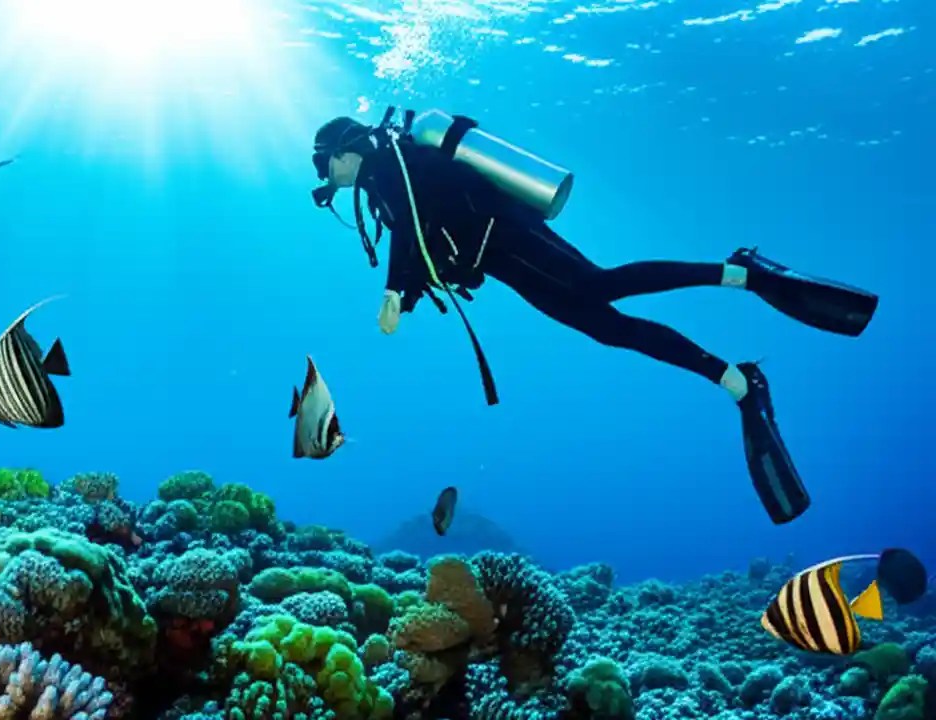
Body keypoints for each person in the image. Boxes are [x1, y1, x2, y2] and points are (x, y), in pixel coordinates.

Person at [308, 108, 880, 525]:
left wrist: (391, 293)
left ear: (343, 149)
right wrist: (405, 297)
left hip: (511, 239)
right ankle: (734, 379)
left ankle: (743, 272)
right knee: (607, 326)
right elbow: (423, 242)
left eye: (322, 162)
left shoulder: (392, 166)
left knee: (600, 285)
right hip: (504, 259)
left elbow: (411, 226)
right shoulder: (384, 182)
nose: (324, 176)